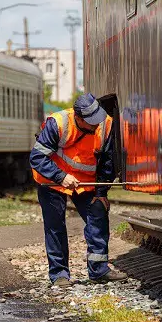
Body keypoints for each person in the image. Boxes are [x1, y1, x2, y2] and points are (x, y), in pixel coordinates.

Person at [30, 93, 127, 287]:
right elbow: (37, 158)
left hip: (85, 183)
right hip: (52, 181)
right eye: (91, 122)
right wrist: (61, 177)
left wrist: (101, 194)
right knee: (55, 226)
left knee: (98, 216)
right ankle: (59, 275)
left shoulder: (106, 124)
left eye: (97, 120)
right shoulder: (57, 123)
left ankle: (99, 270)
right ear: (78, 118)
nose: (95, 125)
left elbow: (107, 162)